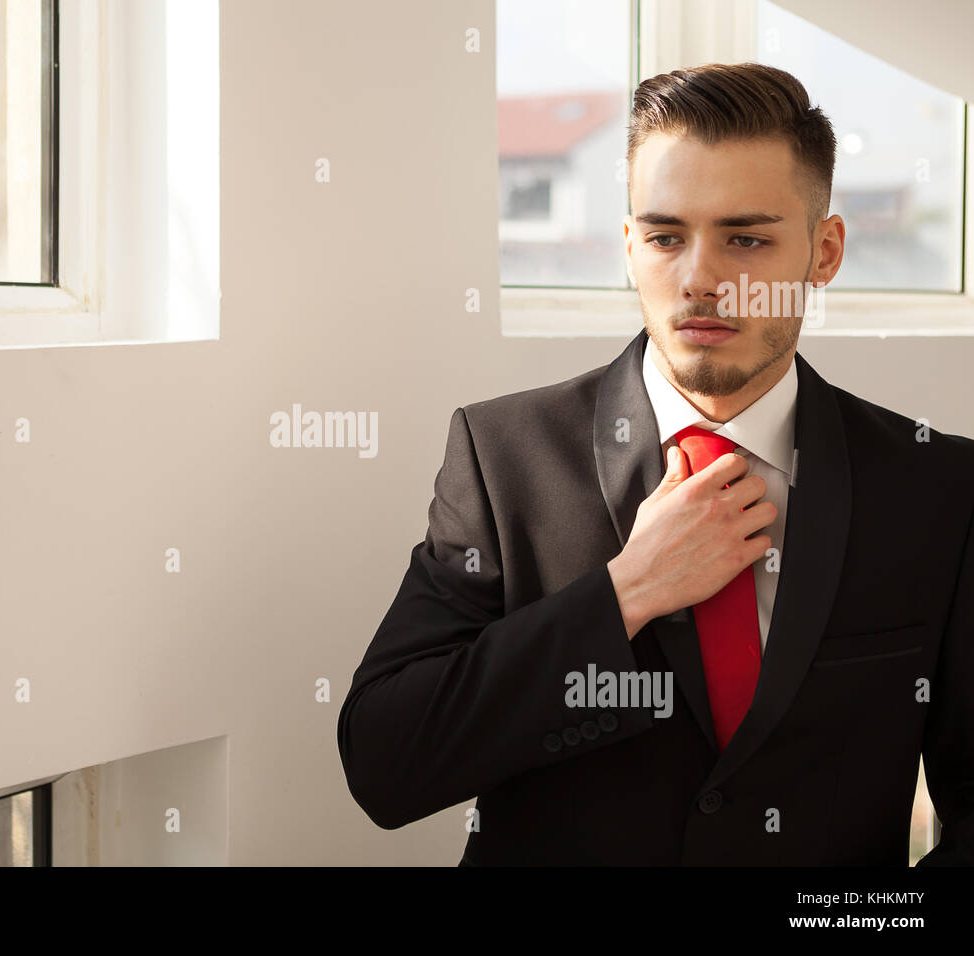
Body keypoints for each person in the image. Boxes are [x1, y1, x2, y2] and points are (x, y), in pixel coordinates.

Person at [337, 62, 974, 865]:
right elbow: (385, 763)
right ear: (631, 246)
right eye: (667, 237)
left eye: (746, 238)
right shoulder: (503, 459)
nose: (701, 280)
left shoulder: (939, 489)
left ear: (825, 250)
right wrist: (624, 593)